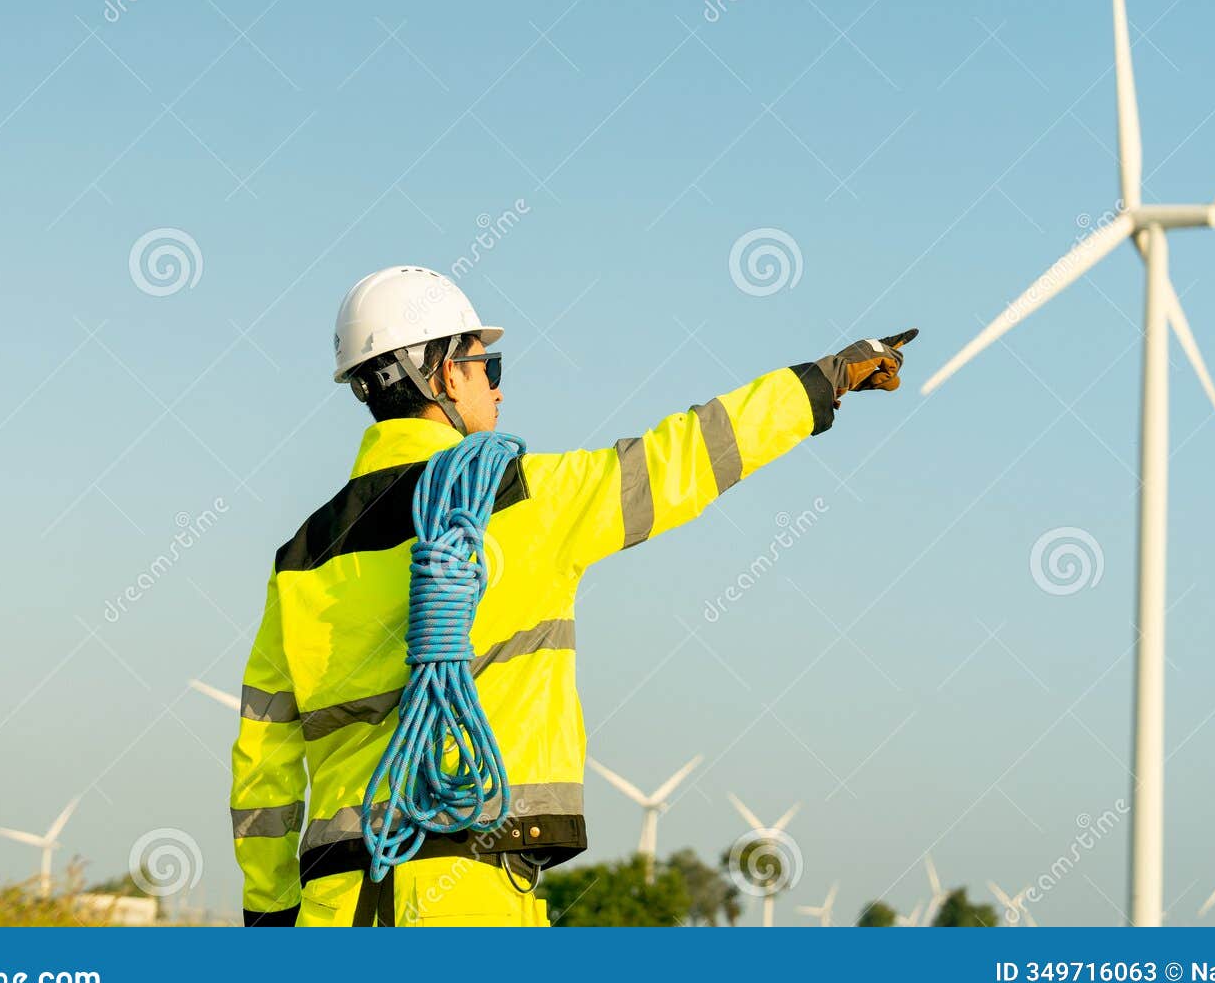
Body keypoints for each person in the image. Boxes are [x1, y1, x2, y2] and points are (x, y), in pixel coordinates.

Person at [229, 265, 914, 926]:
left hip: (329, 912)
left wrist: (270, 914)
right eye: (487, 367)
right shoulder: (520, 497)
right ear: (439, 373)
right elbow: (686, 458)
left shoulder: (298, 560)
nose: (497, 392)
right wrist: (823, 383)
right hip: (468, 900)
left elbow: (263, 773)